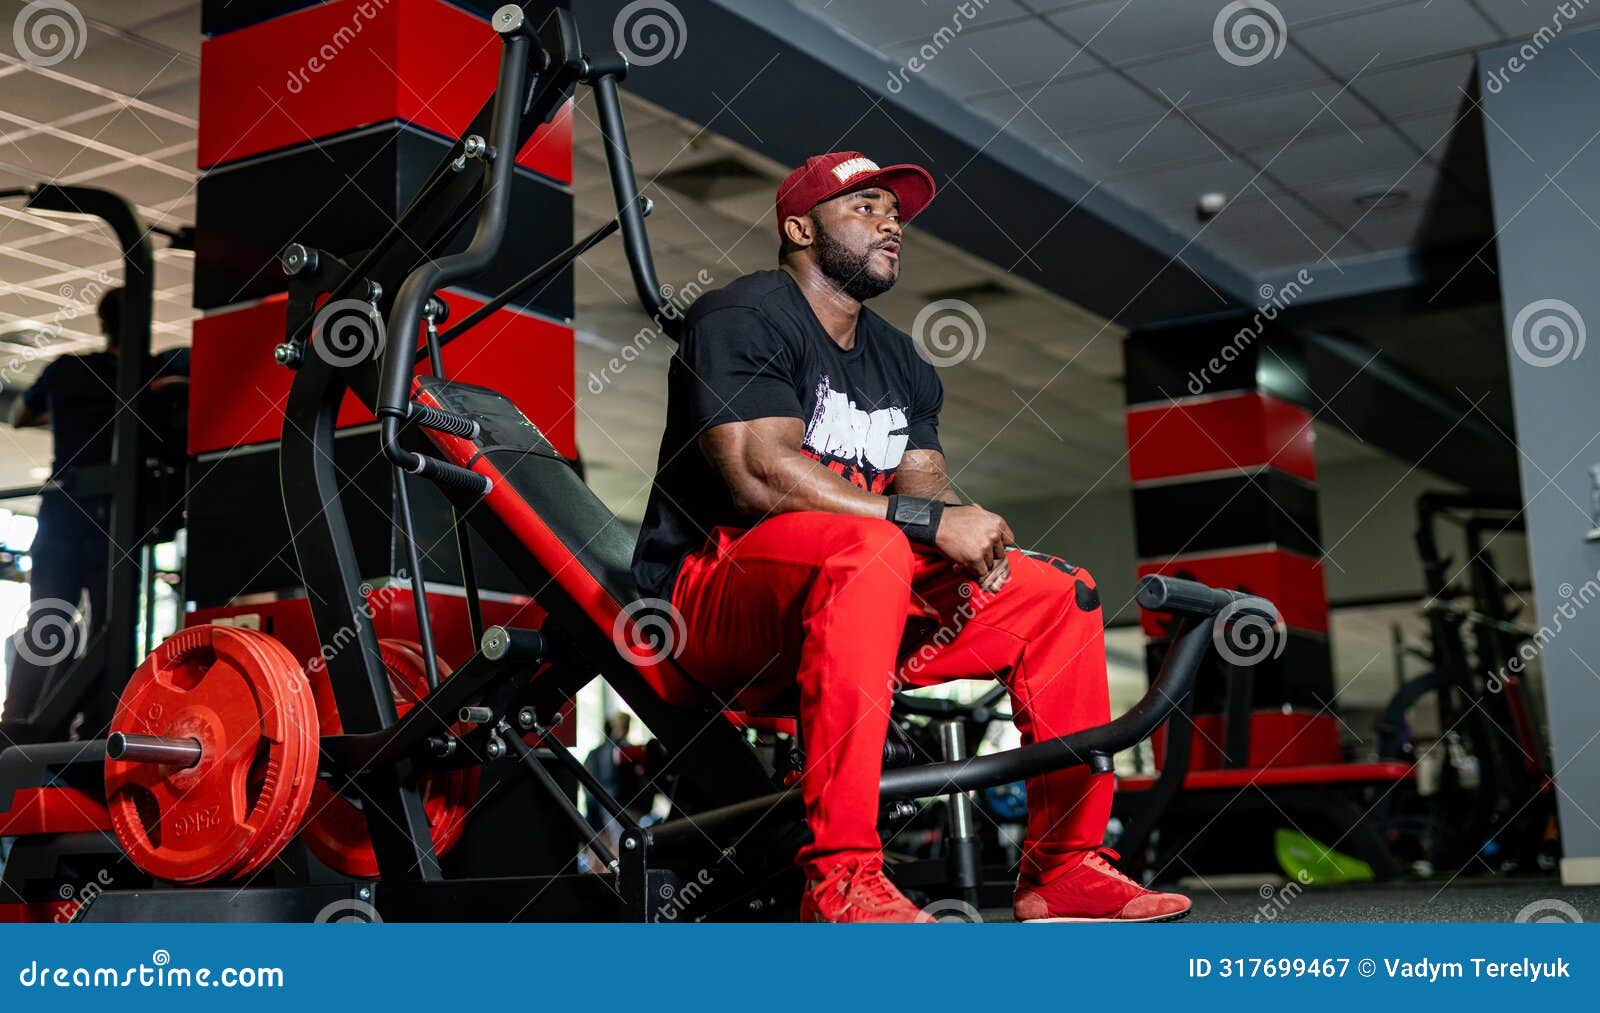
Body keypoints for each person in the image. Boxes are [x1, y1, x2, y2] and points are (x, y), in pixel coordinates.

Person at [631, 151, 1191, 923]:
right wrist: (928, 524)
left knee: (1056, 593)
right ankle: (842, 880)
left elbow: (926, 498)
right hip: (708, 599)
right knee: (875, 548)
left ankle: (1062, 866)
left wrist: (979, 551)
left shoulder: (901, 360)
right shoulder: (743, 314)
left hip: (854, 589)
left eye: (895, 212)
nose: (891, 222)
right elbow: (759, 475)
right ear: (799, 227)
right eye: (865, 207)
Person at [3, 288, 185, 734]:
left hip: (66, 514)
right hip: (115, 521)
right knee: (114, 627)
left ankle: (20, 723)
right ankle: (94, 727)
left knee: (48, 622)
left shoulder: (69, 371)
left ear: (103, 325)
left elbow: (21, 415)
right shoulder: (159, 371)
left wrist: (71, 412)